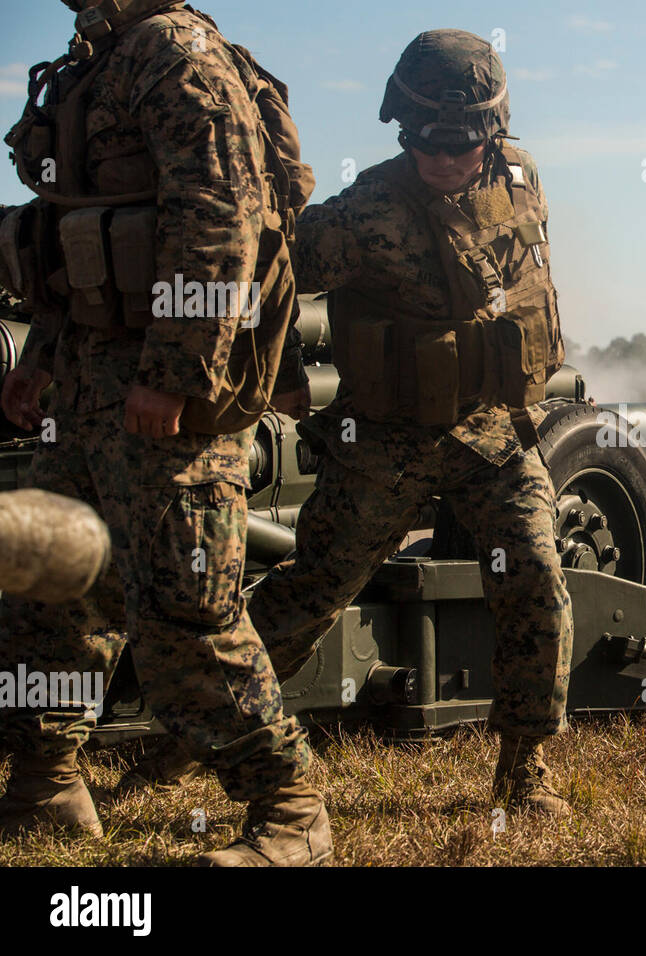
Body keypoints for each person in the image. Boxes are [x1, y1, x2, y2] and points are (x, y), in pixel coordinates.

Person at [130, 28, 576, 815]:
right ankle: (182, 744)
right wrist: (289, 374)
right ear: (401, 127)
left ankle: (525, 768)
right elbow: (267, 272)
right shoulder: (365, 207)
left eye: (462, 141)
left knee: (537, 577)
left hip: (490, 430)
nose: (443, 159)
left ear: (493, 130)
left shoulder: (522, 177)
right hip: (385, 442)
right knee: (310, 595)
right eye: (425, 142)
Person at [0, 0, 331, 865]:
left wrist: (175, 372)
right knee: (55, 585)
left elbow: (221, 212)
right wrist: (41, 356)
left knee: (184, 604)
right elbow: (82, 236)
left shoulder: (176, 54)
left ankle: (291, 808)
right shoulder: (101, 58)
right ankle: (47, 781)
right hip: (89, 377)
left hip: (163, 387)